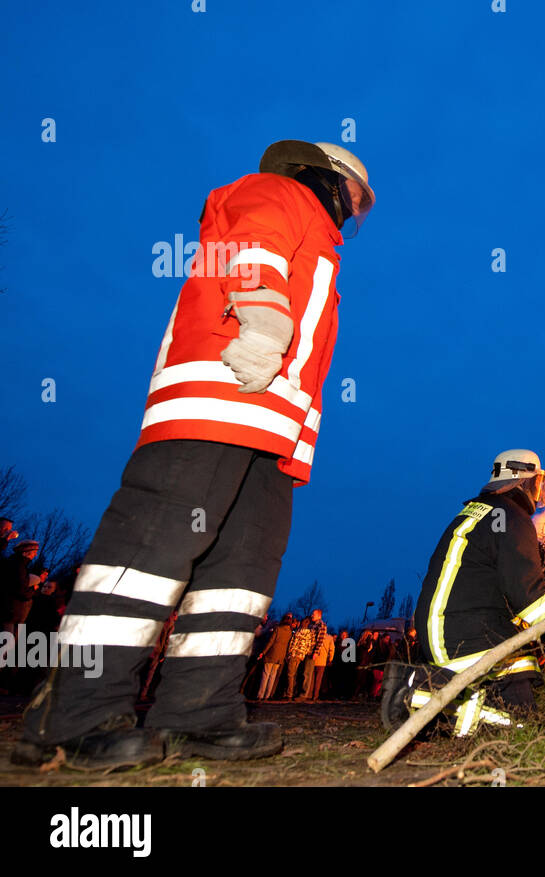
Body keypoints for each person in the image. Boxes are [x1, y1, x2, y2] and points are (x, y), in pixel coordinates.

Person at [13, 140, 375, 771]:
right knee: (153, 544)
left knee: (241, 571)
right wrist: (263, 320)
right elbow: (251, 245)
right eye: (354, 197)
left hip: (272, 429)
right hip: (219, 394)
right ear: (330, 179)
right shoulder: (279, 194)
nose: (353, 212)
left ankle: (199, 713)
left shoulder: (318, 238)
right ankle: (74, 712)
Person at [383, 450, 545, 737]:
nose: (538, 492)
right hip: (458, 634)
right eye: (536, 482)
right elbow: (530, 595)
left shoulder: (483, 511)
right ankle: (417, 692)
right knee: (522, 726)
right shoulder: (511, 517)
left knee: (521, 666)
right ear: (522, 481)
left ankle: (444, 694)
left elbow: (499, 592)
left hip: (451, 628)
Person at [286, 609, 326, 700]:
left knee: (307, 673)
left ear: (319, 615)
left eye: (314, 614)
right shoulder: (311, 624)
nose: (312, 615)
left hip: (311, 652)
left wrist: (316, 652)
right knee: (302, 672)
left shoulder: (321, 625)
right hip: (306, 651)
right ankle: (298, 691)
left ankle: (303, 694)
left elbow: (320, 640)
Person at [256, 614, 294, 701]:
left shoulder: (278, 629)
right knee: (272, 676)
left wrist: (263, 652)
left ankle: (260, 695)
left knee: (266, 675)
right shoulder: (290, 632)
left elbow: (271, 641)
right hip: (280, 656)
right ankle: (267, 695)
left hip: (272, 654)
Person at [308, 626, 335, 700]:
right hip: (322, 660)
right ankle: (315, 696)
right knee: (318, 679)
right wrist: (330, 659)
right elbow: (332, 649)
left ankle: (309, 694)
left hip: (313, 659)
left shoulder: (315, 635)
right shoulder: (329, 638)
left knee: (311, 678)